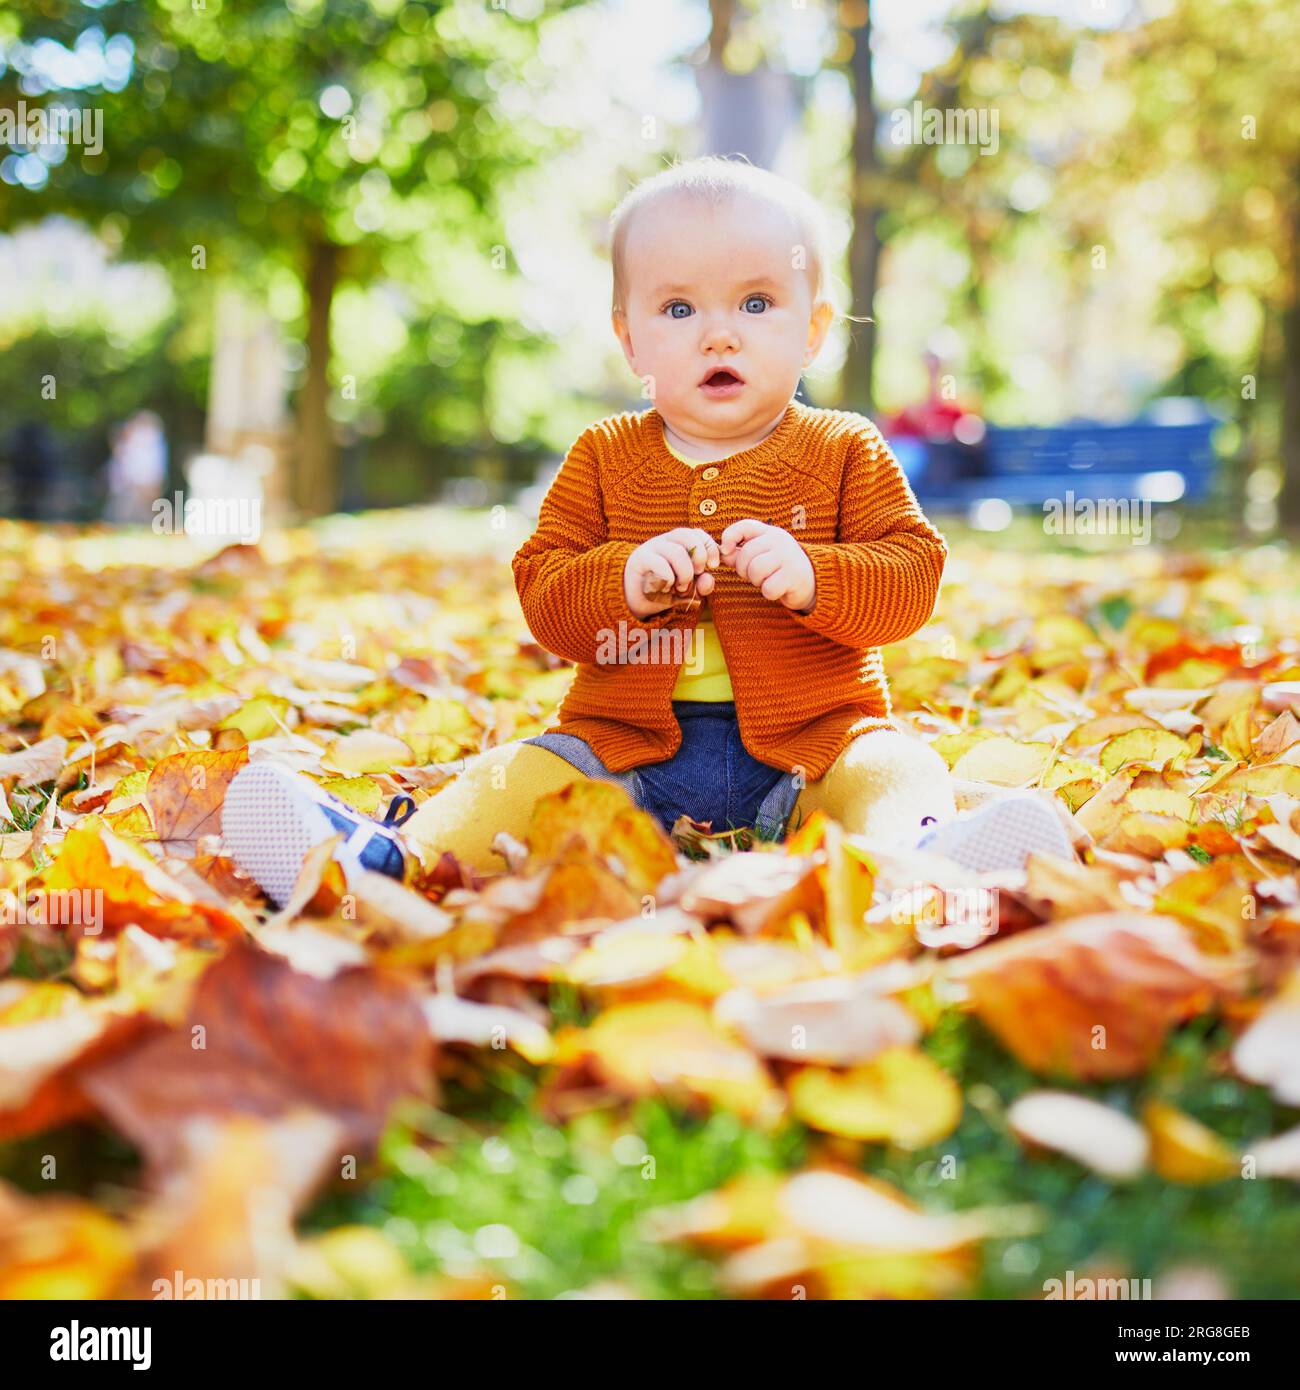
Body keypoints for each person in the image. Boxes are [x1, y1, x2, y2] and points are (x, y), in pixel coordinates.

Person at [222, 156, 1071, 906]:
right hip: (620, 753)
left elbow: (912, 571)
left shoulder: (843, 448)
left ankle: (920, 859)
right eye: (677, 308)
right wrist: (624, 578)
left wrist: (817, 575)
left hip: (812, 745)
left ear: (813, 328)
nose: (720, 331)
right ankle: (383, 860)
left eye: (756, 301)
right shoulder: (603, 456)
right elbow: (546, 590)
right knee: (520, 777)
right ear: (630, 341)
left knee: (894, 765)